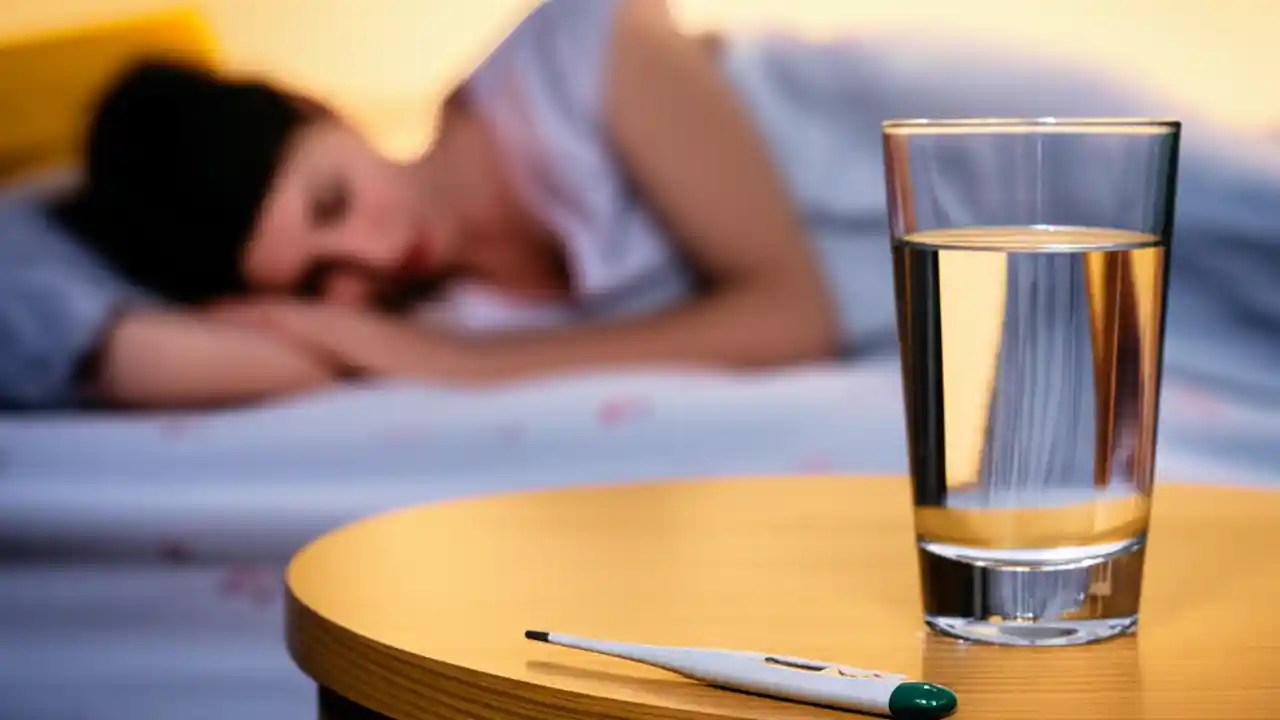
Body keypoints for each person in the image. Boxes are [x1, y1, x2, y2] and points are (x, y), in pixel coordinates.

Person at [2, 0, 1277, 409]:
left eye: (334, 200)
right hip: (961, 312)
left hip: (967, 146)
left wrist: (430, 363)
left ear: (327, 119)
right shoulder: (433, 314)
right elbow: (97, 328)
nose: (371, 258)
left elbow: (779, 316)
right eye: (318, 278)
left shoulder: (570, 55)